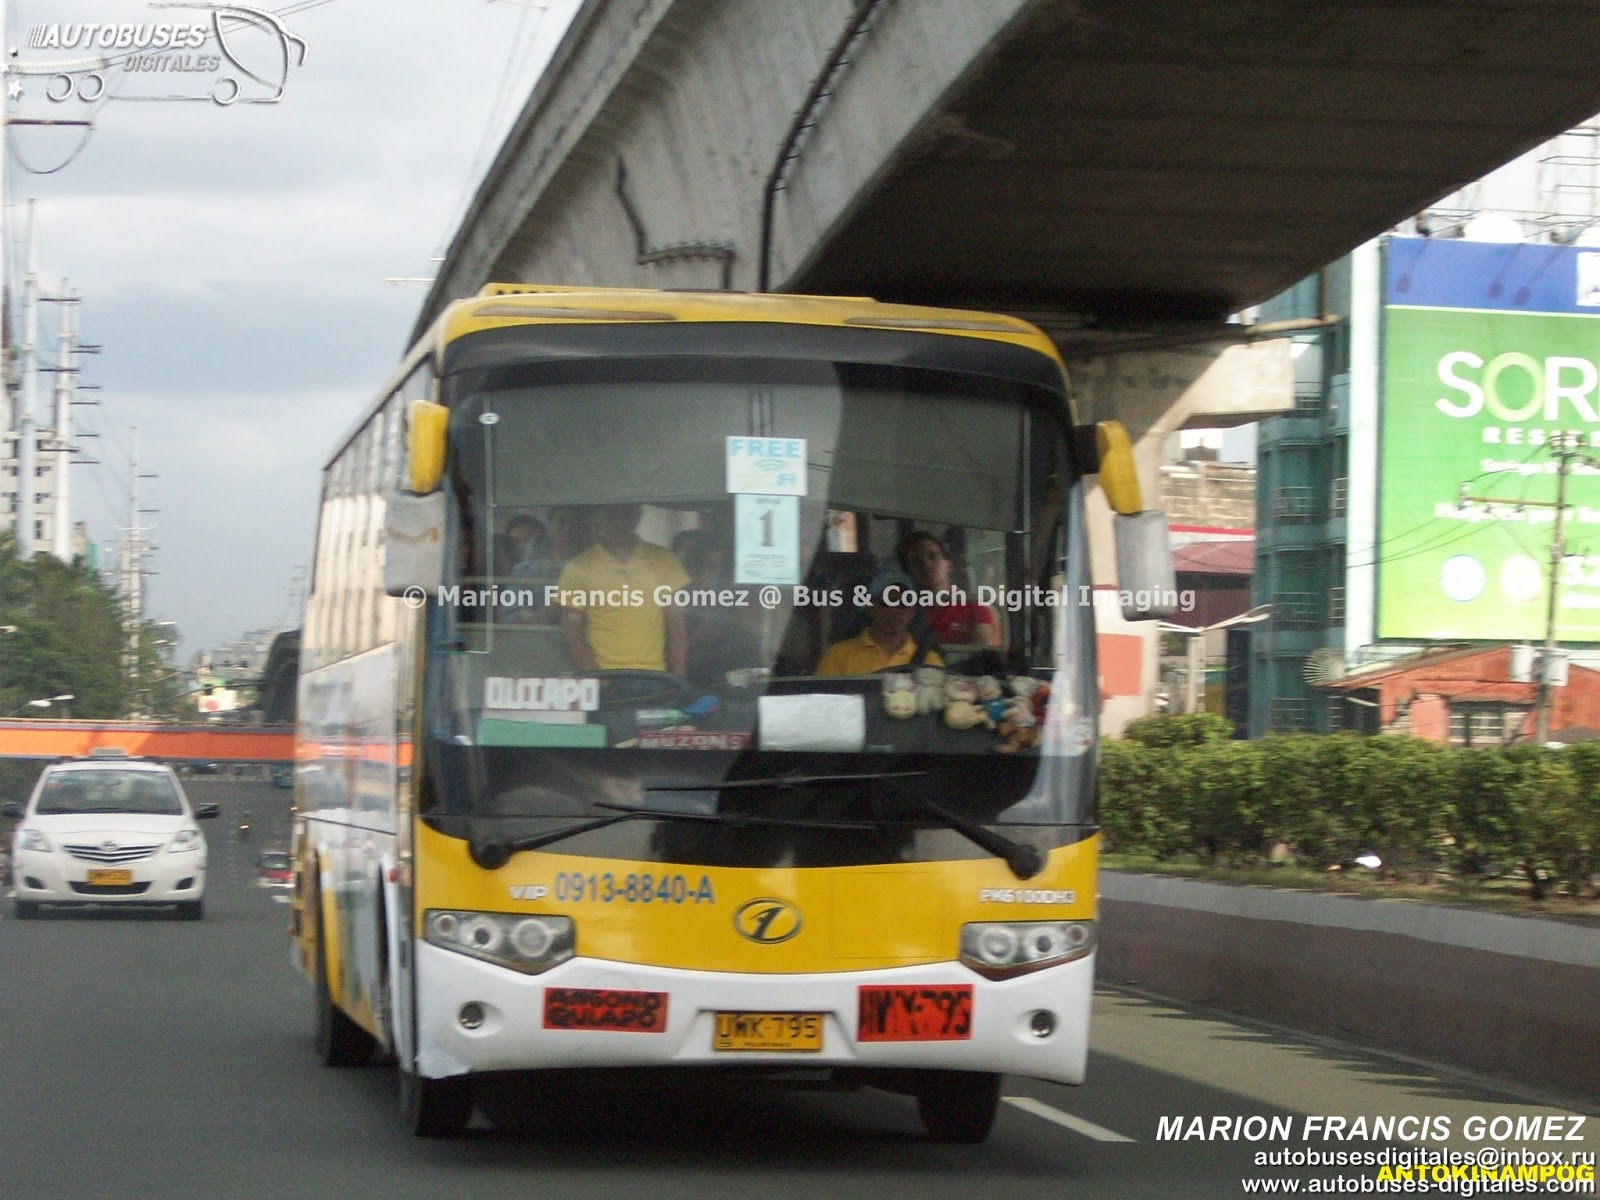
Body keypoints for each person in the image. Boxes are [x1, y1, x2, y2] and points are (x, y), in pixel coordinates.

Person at [558, 503, 690, 675]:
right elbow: (572, 634)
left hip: (655, 678)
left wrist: (679, 682)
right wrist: (598, 679)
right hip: (605, 678)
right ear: (599, 518)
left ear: (638, 516)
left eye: (626, 515)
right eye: (612, 515)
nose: (620, 523)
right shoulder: (578, 567)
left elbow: (676, 629)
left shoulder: (664, 560)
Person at [816, 570, 944, 675]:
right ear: (869, 606)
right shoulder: (838, 656)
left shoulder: (930, 661)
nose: (895, 610)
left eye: (904, 603)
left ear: (913, 610)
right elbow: (823, 704)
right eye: (887, 601)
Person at [897, 530, 999, 647]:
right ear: (908, 572)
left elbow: (982, 648)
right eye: (917, 561)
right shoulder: (902, 610)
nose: (926, 564)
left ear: (949, 565)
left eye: (932, 556)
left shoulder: (973, 607)